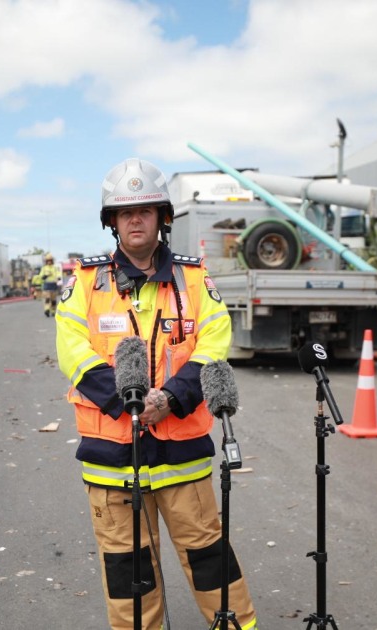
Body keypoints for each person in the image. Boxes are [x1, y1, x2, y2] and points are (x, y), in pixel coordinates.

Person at [55, 158, 258, 629]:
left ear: (163, 217)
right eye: (125, 213)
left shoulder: (193, 279)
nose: (136, 219)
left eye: (146, 210)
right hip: (112, 456)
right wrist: (125, 401)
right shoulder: (86, 282)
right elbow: (73, 350)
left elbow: (214, 342)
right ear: (112, 222)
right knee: (130, 576)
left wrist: (167, 399)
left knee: (211, 563)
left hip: (181, 454)